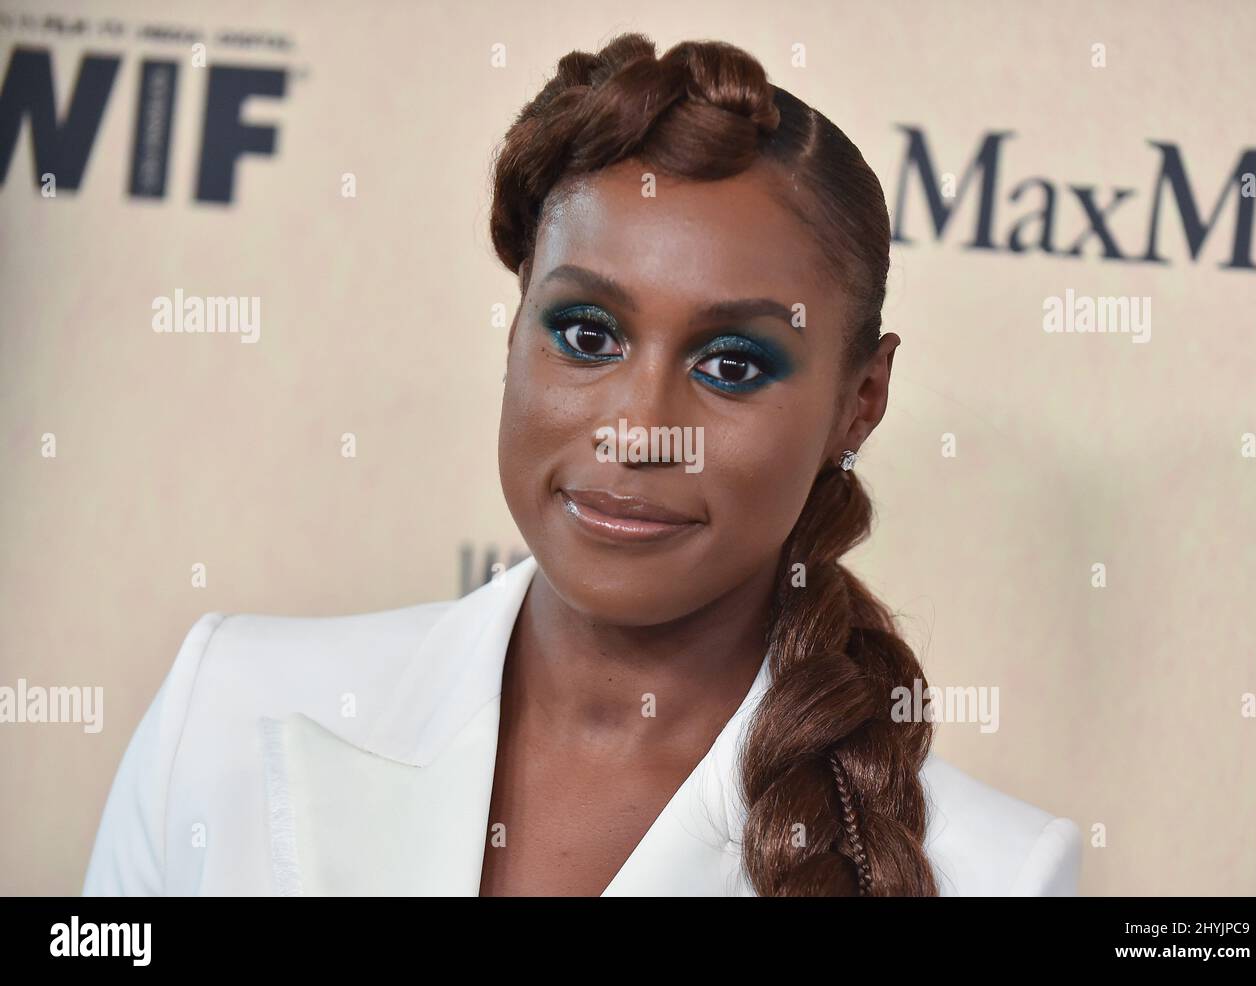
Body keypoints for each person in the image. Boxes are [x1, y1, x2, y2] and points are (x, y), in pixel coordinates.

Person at [83, 32, 1082, 897]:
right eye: (587, 332)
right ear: (515, 329)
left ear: (859, 399)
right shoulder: (226, 705)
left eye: (731, 363)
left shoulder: (991, 869)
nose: (637, 430)